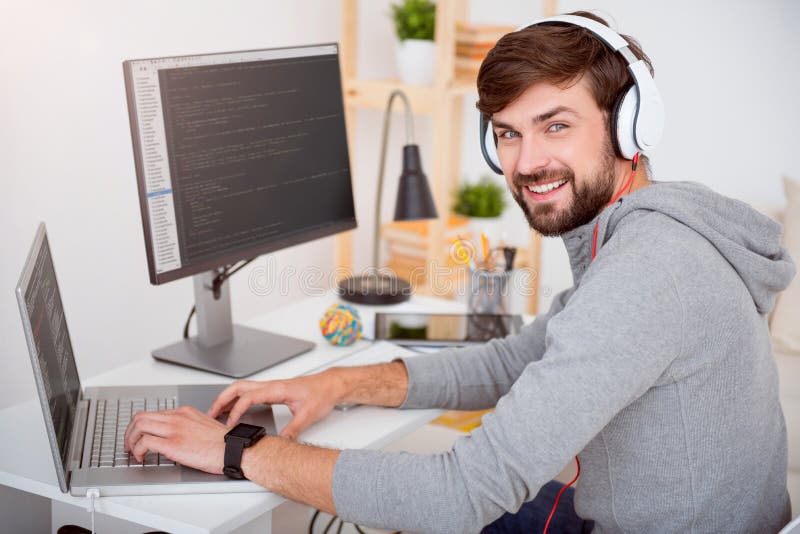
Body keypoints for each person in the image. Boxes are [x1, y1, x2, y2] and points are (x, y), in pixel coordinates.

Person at [123, 12, 795, 533]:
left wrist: (239, 452)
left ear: (629, 126)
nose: (526, 162)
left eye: (555, 125)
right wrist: (338, 384)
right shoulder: (650, 237)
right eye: (507, 133)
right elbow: (512, 363)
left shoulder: (649, 273)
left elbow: (460, 494)